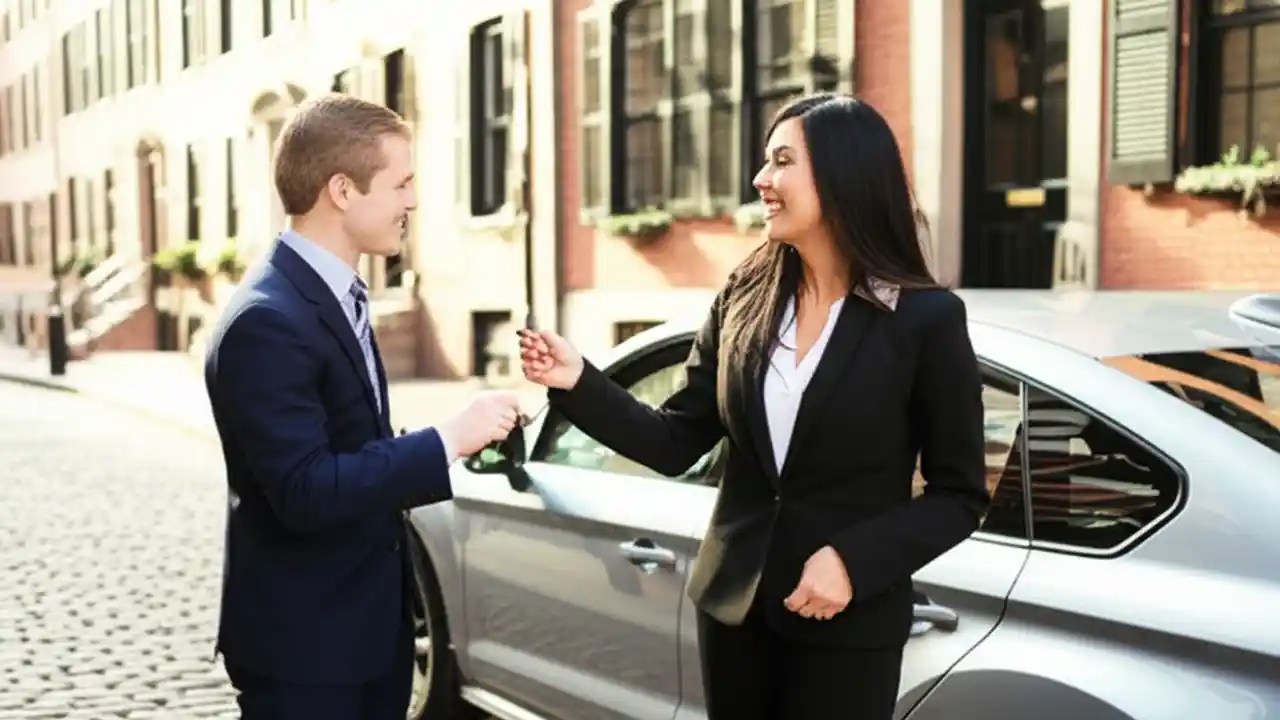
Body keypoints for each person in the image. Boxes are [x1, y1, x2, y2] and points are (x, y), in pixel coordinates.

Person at [518, 93, 988, 719]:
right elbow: (676, 439)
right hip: (733, 613)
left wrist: (853, 561)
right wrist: (578, 380)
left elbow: (959, 495)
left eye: (782, 161)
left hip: (846, 624)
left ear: (844, 175)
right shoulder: (744, 294)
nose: (761, 180)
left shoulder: (926, 319)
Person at [204, 93, 523, 720]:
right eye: (401, 183)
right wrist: (445, 440)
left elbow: (351, 447)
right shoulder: (267, 321)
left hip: (365, 638)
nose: (413, 200)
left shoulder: (332, 293)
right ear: (343, 191)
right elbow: (305, 490)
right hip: (307, 658)